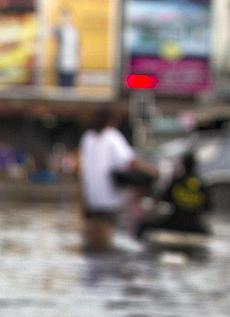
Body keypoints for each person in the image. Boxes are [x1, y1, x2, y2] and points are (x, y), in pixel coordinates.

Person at [78, 106, 157, 252]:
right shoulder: (112, 136)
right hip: (109, 199)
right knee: (106, 244)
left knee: (93, 242)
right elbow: (130, 160)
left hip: (91, 199)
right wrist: (151, 170)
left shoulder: (87, 137)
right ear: (112, 120)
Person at [136, 152, 210, 239]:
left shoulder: (177, 182)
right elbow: (208, 207)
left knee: (143, 226)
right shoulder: (202, 185)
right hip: (195, 226)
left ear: (183, 166)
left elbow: (163, 199)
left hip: (175, 223)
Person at [54, 8, 80, 89]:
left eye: (66, 17)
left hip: (72, 64)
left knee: (70, 86)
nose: (64, 19)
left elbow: (78, 47)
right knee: (61, 86)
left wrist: (79, 62)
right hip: (61, 64)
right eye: (62, 17)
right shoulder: (59, 30)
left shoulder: (74, 31)